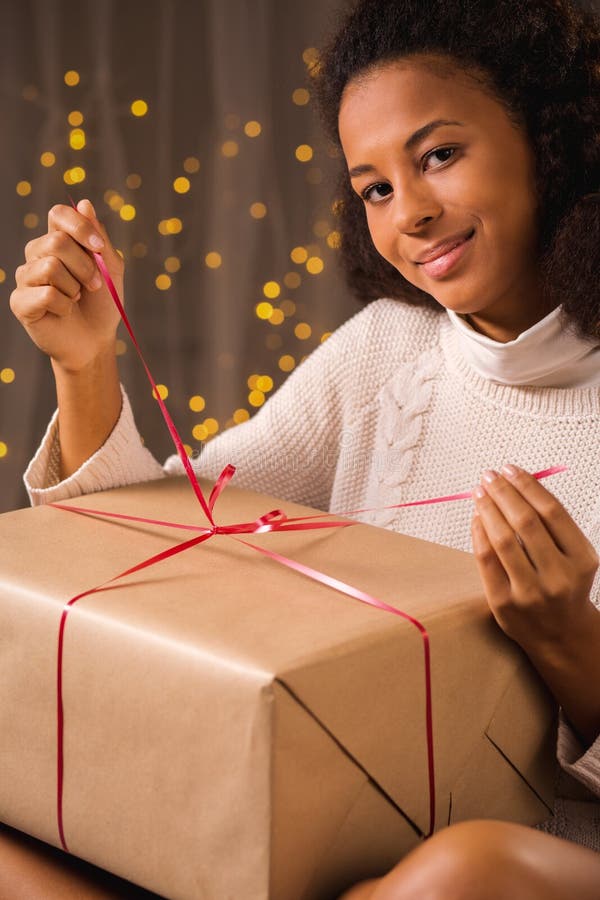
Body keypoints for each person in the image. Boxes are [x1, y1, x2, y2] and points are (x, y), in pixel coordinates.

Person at [7, 0, 600, 896]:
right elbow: (158, 537)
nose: (412, 213)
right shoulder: (386, 350)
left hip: (532, 846)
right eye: (375, 188)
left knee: (457, 873)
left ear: (551, 143)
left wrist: (571, 642)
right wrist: (87, 366)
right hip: (324, 822)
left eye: (439, 155)